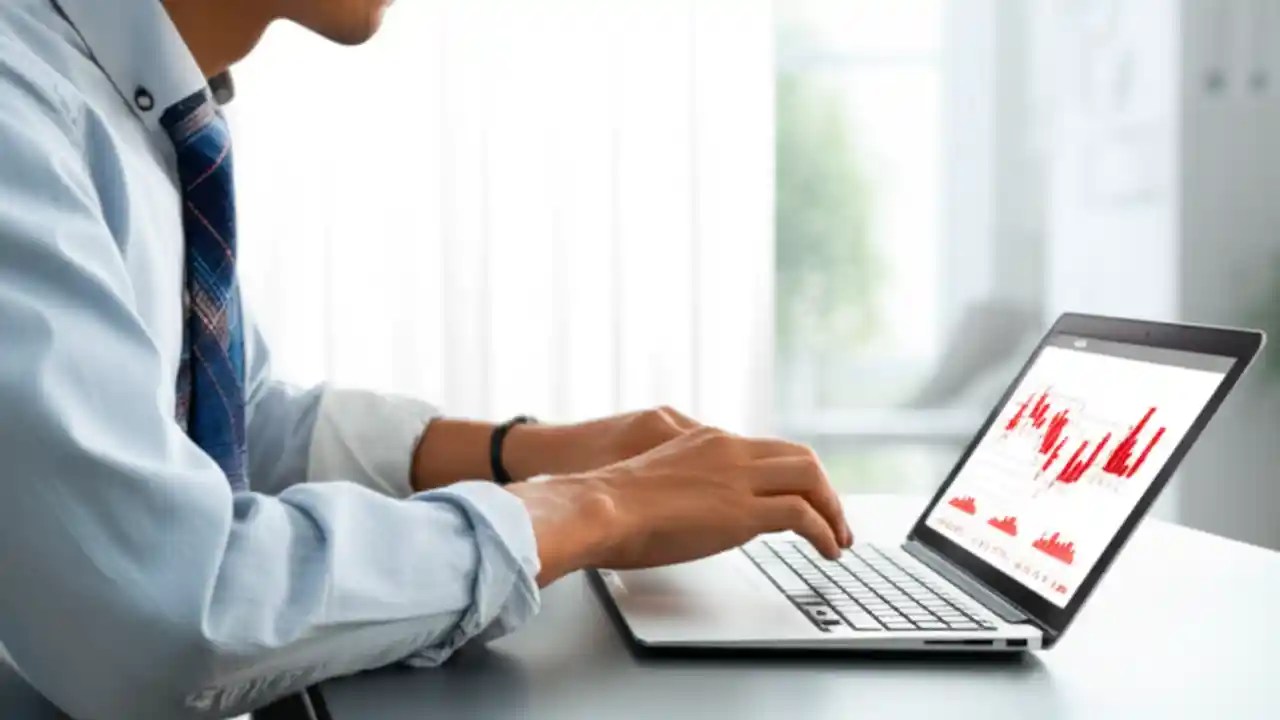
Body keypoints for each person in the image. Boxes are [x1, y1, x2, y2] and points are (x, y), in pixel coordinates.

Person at [0, 1, 853, 717]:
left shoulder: (120, 105)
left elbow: (228, 417)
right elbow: (165, 609)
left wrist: (529, 451)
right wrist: (594, 508)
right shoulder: (18, 117)